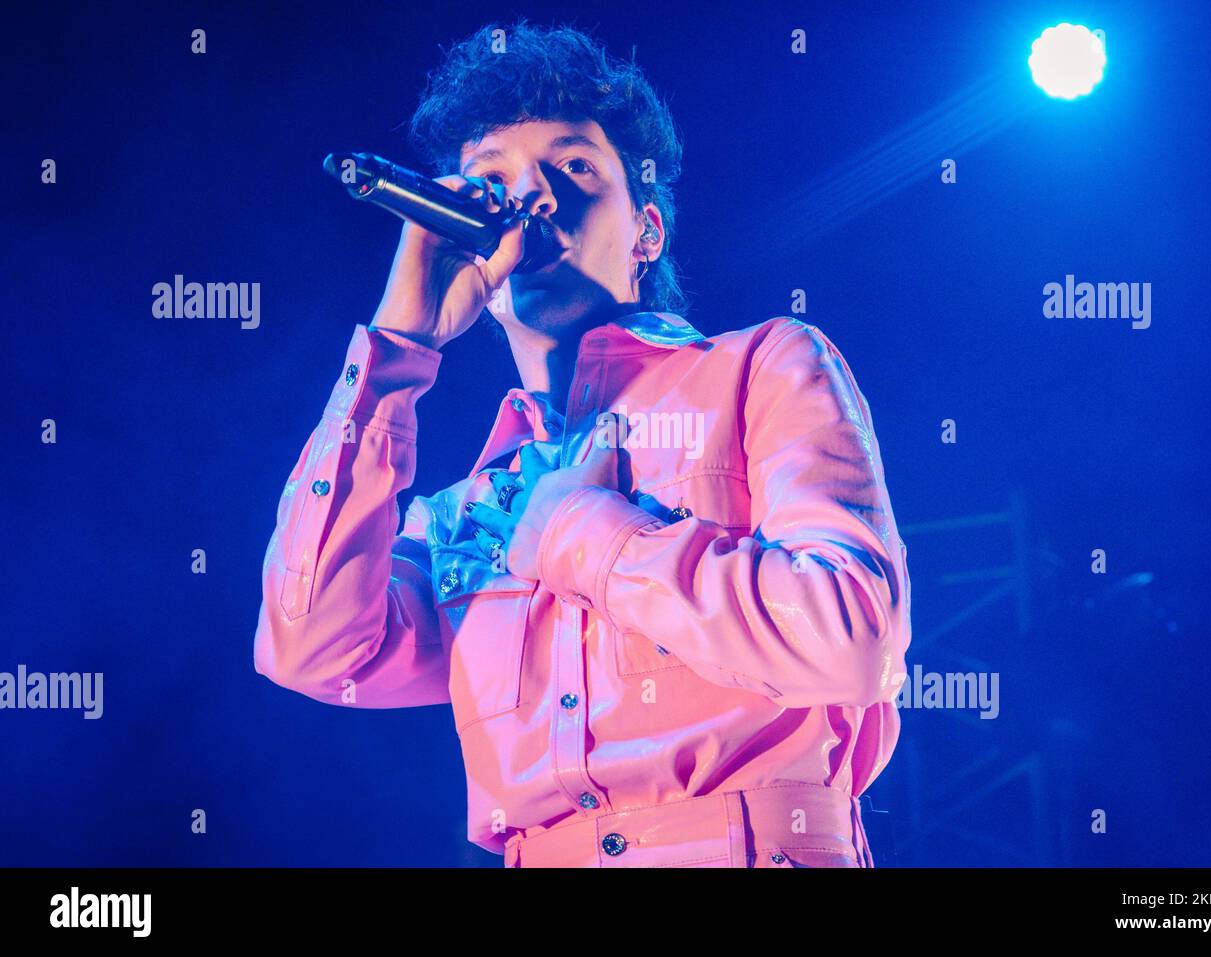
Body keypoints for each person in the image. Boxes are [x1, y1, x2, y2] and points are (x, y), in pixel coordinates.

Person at [253, 18, 912, 868]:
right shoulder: (466, 514)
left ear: (646, 231)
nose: (532, 199)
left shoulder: (766, 368)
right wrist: (394, 348)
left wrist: (582, 534)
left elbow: (850, 638)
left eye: (573, 168)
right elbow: (310, 647)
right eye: (490, 181)